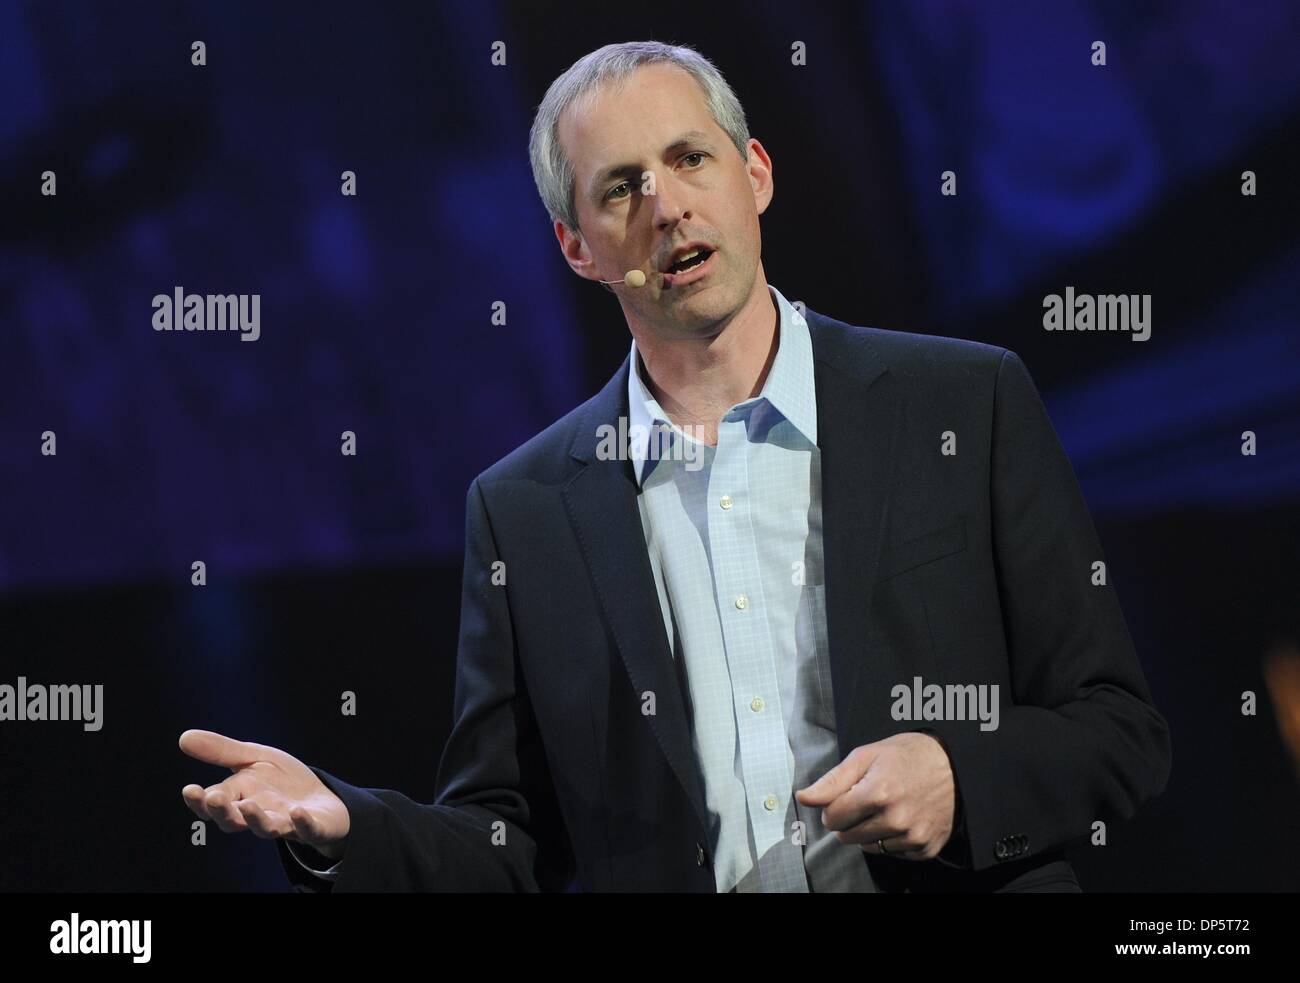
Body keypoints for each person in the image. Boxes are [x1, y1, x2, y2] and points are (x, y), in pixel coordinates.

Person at [180, 40, 1171, 893]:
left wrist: (961, 775)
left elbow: (1119, 730)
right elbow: (505, 837)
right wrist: (347, 823)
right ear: (577, 247)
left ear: (756, 176)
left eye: (689, 158)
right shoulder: (524, 507)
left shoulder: (963, 402)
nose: (664, 204)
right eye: (619, 186)